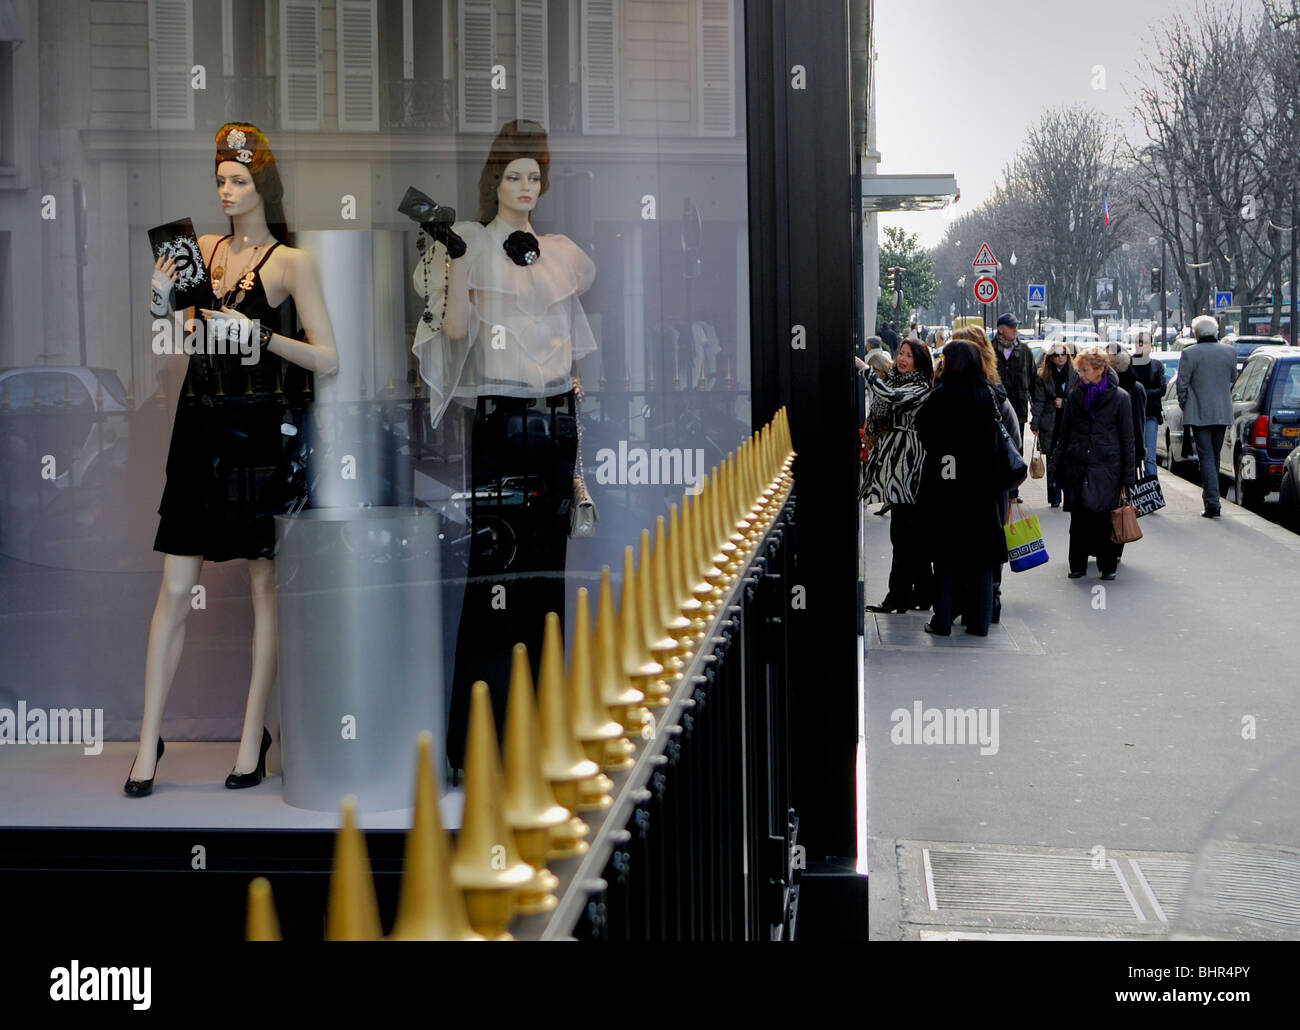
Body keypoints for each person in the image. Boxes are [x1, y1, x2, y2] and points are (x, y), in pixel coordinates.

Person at [128, 123, 340, 797]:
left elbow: (329, 358)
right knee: (173, 587)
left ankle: (253, 738)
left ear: (263, 184)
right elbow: (174, 336)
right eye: (220, 180)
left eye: (239, 180)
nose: (227, 191)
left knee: (263, 589)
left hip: (256, 433)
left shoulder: (289, 263)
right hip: (198, 427)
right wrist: (159, 303)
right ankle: (147, 740)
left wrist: (261, 335)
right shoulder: (204, 251)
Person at [410, 120, 598, 768]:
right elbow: (456, 328)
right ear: (497, 180)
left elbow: (568, 348)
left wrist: (573, 426)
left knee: (547, 580)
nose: (525, 187)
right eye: (515, 175)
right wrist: (457, 257)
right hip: (498, 424)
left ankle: (540, 740)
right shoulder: (471, 244)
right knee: (493, 572)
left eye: (534, 176)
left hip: (555, 425)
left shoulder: (562, 254)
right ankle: (478, 744)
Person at [915, 340, 1008, 636]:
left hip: (946, 487)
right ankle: (979, 622)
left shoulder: (942, 396)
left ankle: (942, 620)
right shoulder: (988, 394)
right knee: (981, 559)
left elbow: (922, 428)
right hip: (980, 487)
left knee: (945, 556)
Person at [857, 339, 935, 612]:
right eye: (900, 353)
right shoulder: (897, 380)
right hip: (897, 465)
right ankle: (921, 593)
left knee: (904, 535)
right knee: (907, 534)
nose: (902, 359)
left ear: (920, 361)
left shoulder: (920, 385)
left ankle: (900, 596)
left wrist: (867, 370)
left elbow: (890, 397)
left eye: (908, 356)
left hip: (908, 467)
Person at [952, 325, 1022, 623]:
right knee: (991, 542)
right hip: (994, 484)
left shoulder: (979, 395)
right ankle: (988, 598)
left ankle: (976, 598)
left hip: (972, 484)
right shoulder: (997, 395)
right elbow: (1013, 443)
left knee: (970, 542)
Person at [1049, 347, 1135, 580]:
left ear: (1100, 369)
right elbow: (1064, 432)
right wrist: (1056, 464)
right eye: (1079, 370)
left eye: (1085, 370)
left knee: (1105, 517)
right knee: (1079, 517)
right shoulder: (1075, 395)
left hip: (1107, 466)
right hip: (1078, 463)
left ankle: (1107, 566)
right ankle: (1077, 565)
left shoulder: (1120, 398)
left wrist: (1129, 476)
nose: (1081, 374)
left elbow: (1128, 439)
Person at [1176, 314, 1235, 517]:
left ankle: (1212, 502)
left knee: (1207, 457)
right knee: (1215, 455)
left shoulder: (1190, 353)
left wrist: (1185, 404)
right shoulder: (1229, 352)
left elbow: (1181, 384)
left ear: (1197, 333)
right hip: (1222, 411)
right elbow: (1233, 378)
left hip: (1199, 411)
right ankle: (1213, 497)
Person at [1030, 343, 1073, 507]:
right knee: (1052, 459)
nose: (1060, 357)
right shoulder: (1043, 377)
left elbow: (1079, 400)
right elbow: (1038, 401)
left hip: (1069, 422)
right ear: (1051, 358)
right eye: (1056, 355)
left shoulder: (1074, 375)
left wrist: (1065, 403)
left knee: (1069, 460)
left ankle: (1069, 494)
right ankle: (1054, 496)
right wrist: (1035, 423)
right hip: (1050, 423)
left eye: (1063, 354)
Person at [1129, 330, 1167, 478]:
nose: (1140, 345)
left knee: (1150, 456)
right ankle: (1132, 489)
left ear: (1151, 345)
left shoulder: (1156, 365)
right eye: (1138, 342)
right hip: (1131, 415)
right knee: (1133, 455)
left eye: (1144, 342)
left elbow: (1162, 389)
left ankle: (1151, 490)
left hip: (1150, 414)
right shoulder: (1129, 363)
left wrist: (1142, 392)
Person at [993, 312, 1035, 431]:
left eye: (1016, 327)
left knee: (1017, 448)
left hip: (1018, 412)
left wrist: (1036, 415)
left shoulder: (1025, 351)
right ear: (1001, 330)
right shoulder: (989, 350)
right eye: (1012, 327)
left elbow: (1033, 382)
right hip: (996, 411)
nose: (1015, 330)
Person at [1110, 349, 1148, 474]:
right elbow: (1139, 421)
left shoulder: (1111, 387)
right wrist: (1140, 449)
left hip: (1113, 444)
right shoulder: (1136, 387)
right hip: (1130, 444)